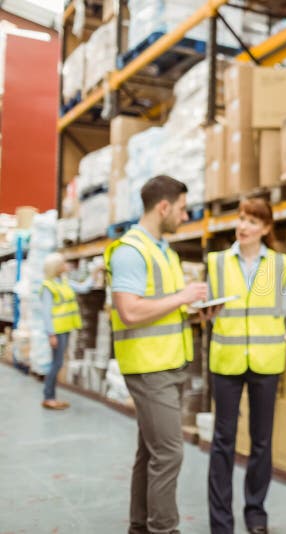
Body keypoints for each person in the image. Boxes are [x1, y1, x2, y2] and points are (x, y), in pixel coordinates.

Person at [104, 175, 220, 534]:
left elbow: (159, 306)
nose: (185, 216)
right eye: (183, 209)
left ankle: (140, 527)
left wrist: (192, 311)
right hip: (148, 367)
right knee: (169, 453)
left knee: (151, 453)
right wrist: (183, 297)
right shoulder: (130, 251)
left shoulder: (164, 251)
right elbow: (131, 311)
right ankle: (164, 530)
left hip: (168, 363)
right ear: (164, 206)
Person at [206, 198, 286, 534]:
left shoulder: (281, 265)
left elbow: (281, 310)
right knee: (223, 441)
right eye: (241, 219)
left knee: (261, 442)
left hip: (265, 362)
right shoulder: (216, 263)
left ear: (266, 229)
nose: (244, 226)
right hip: (226, 361)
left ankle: (256, 513)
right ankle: (221, 522)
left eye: (253, 221)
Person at [39, 253, 99, 409]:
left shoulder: (64, 282)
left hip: (65, 328)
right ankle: (48, 397)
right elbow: (46, 313)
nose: (67, 265)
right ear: (56, 267)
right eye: (63, 263)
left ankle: (50, 396)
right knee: (57, 363)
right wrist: (51, 334)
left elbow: (84, 288)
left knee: (58, 362)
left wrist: (95, 272)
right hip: (57, 331)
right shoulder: (48, 286)